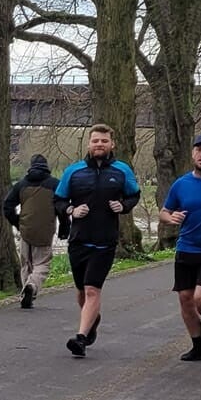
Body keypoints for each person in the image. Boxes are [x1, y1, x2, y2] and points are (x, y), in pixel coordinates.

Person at [53, 125, 142, 357]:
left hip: (105, 241)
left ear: (112, 144)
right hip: (79, 240)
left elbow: (134, 194)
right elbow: (58, 200)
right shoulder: (74, 171)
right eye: (95, 141)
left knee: (93, 289)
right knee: (82, 292)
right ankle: (93, 318)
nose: (99, 145)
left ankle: (80, 338)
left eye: (104, 141)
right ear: (89, 144)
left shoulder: (122, 170)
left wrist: (123, 206)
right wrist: (71, 210)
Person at [158, 133, 201, 362]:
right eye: (199, 149)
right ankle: (197, 347)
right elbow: (164, 212)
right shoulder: (181, 184)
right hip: (186, 248)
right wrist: (170, 218)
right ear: (193, 153)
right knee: (186, 299)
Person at [2, 152, 59, 308]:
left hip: (25, 228)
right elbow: (62, 206)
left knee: (26, 264)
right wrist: (65, 228)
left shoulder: (21, 184)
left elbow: (7, 206)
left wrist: (17, 223)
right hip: (45, 230)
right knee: (42, 263)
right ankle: (32, 286)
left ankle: (25, 293)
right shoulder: (55, 184)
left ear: (31, 166)